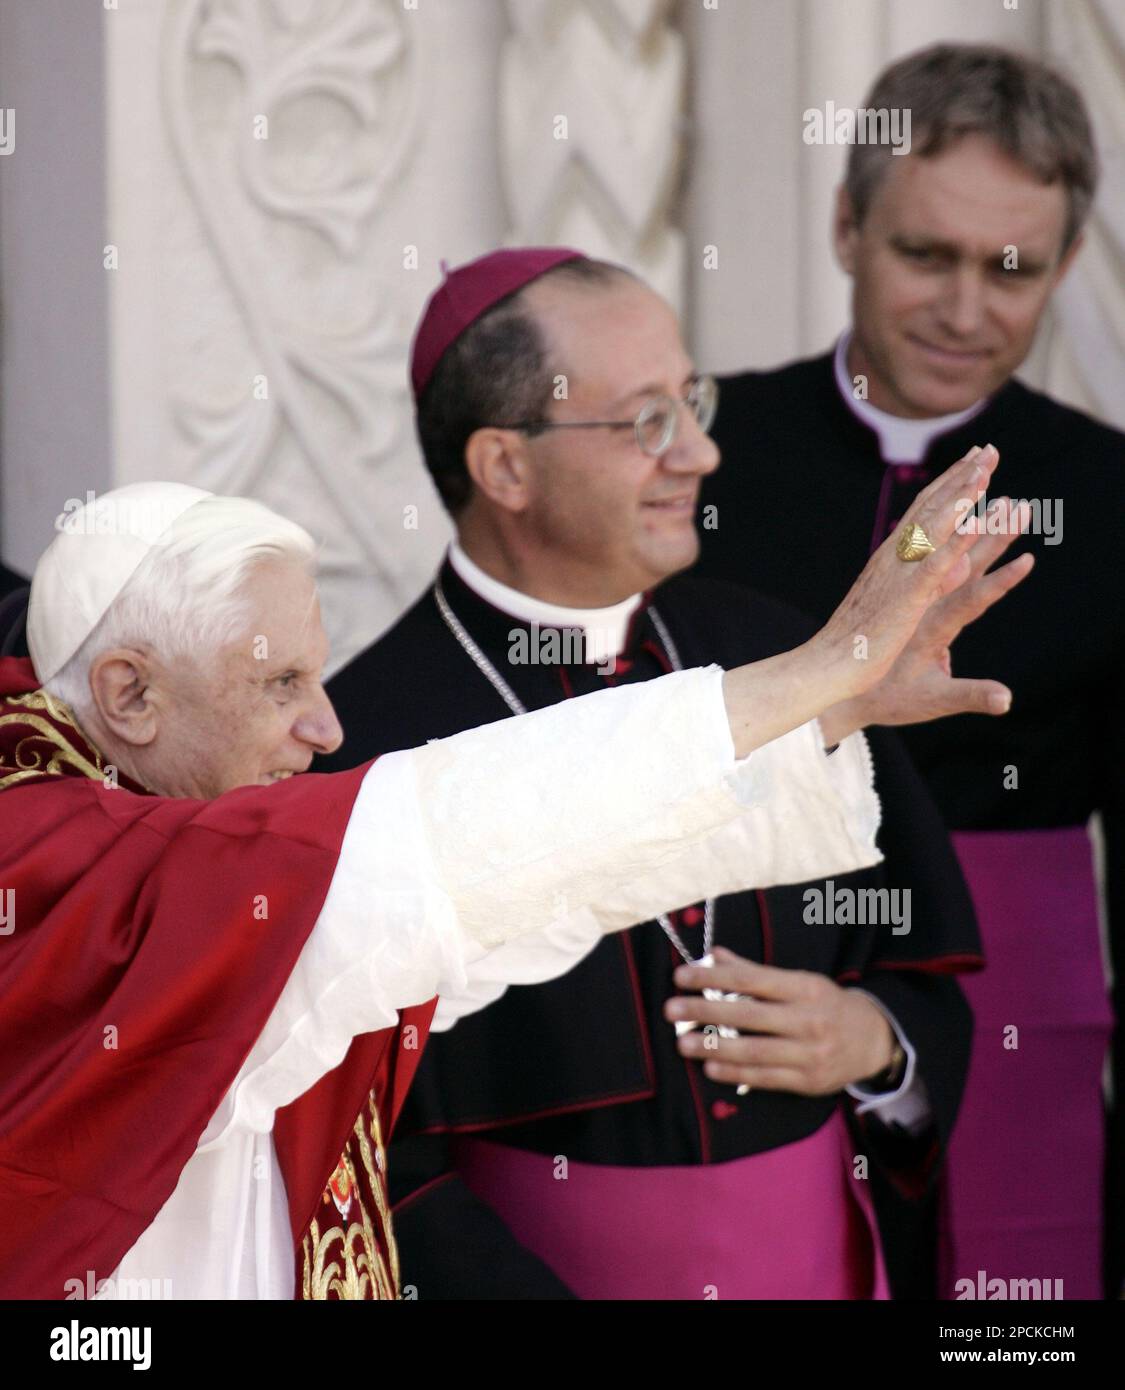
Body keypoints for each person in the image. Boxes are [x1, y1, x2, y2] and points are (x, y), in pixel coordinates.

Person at [0, 456, 1004, 1301]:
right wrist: (821, 669)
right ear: (130, 695)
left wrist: (827, 711)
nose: (328, 726)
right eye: (279, 684)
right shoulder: (64, 867)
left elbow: (489, 904)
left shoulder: (151, 834)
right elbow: (454, 838)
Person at [320, 248, 1031, 1299]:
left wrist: (874, 1042)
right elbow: (354, 1157)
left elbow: (917, 968)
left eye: (691, 402)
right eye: (646, 420)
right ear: (504, 468)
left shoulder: (792, 657)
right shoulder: (366, 739)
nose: (699, 452)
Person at [695, 43, 1123, 1298]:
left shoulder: (1110, 490)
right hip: (741, 952)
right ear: (846, 226)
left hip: (1015, 988)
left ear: (1062, 266)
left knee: (1008, 1310)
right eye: (925, 254)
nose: (965, 308)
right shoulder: (706, 447)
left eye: (1013, 270)